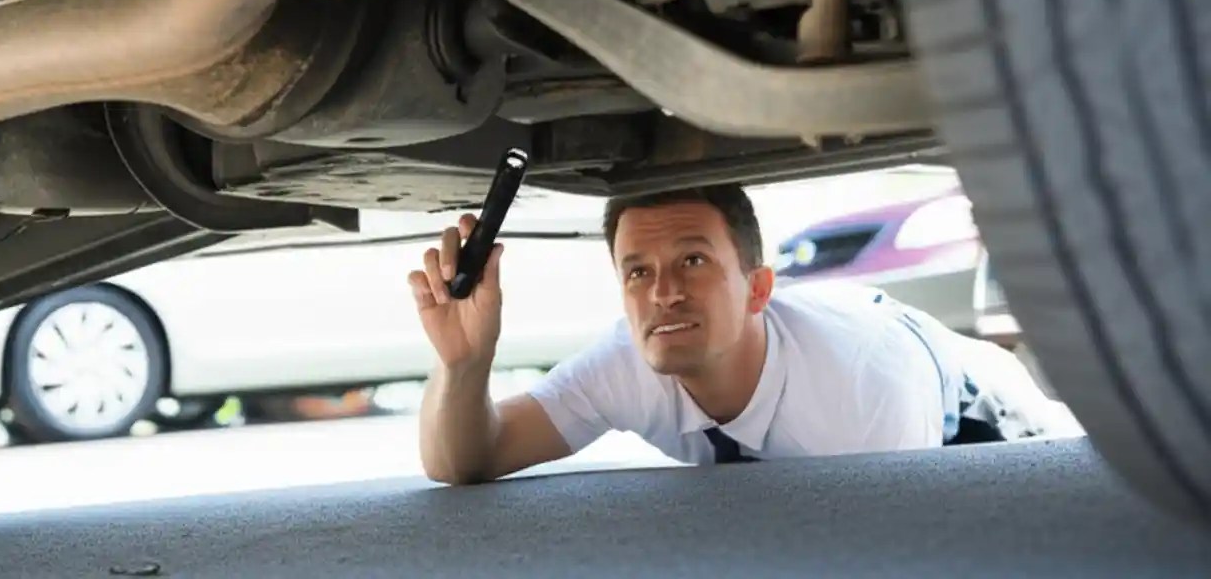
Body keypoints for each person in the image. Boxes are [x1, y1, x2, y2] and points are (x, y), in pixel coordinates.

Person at [409, 183, 1074, 485]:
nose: (663, 292)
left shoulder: (864, 394)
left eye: (692, 262)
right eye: (638, 272)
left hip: (971, 409)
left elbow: (904, 548)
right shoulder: (629, 360)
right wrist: (465, 365)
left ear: (758, 287)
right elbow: (465, 460)